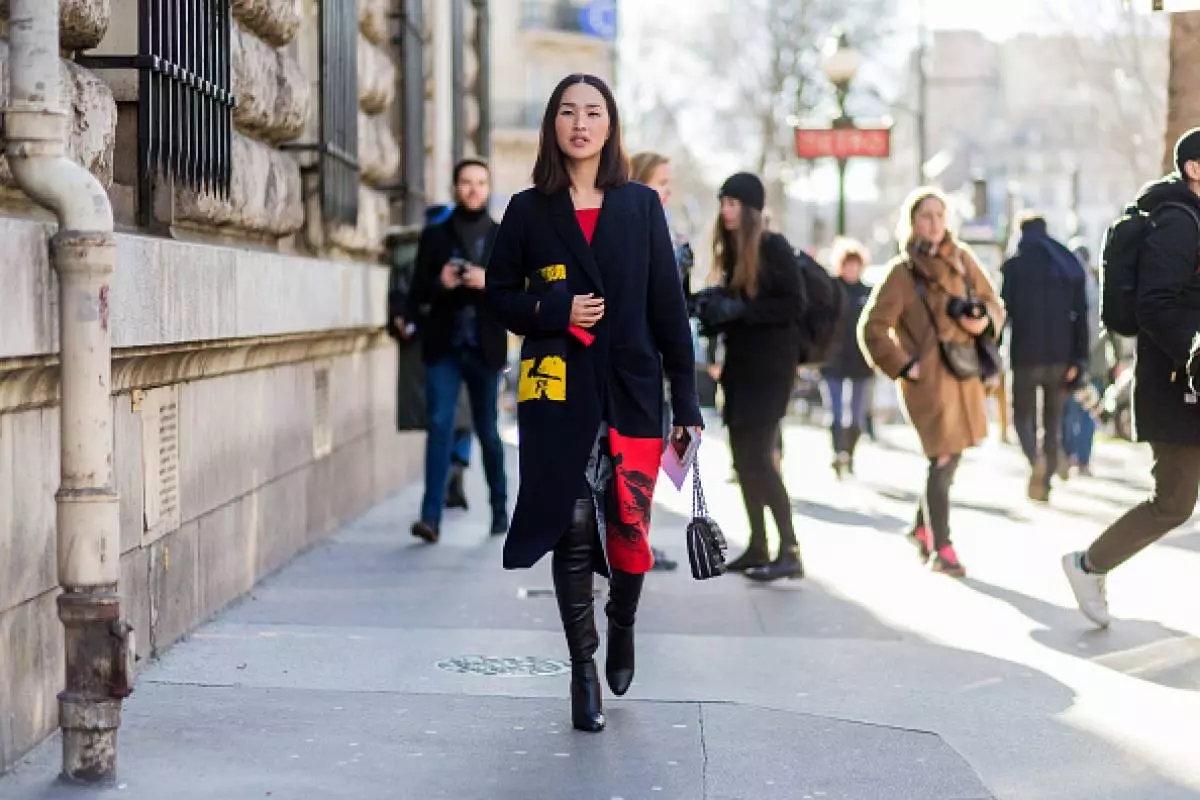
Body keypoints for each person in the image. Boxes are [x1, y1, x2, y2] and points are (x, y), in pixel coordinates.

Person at [485, 74, 702, 732]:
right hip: (557, 389)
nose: (580, 123)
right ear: (553, 125)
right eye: (568, 112)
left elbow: (669, 310)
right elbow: (498, 298)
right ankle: (583, 670)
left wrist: (686, 404)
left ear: (609, 127)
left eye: (593, 113)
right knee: (571, 524)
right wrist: (555, 308)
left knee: (628, 530)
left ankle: (623, 620)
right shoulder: (528, 209)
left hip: (631, 388)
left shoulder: (639, 207)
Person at [1063, 129, 1200, 628]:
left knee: (1176, 502)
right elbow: (1155, 305)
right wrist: (1193, 350)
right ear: (1195, 169)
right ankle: (1087, 564)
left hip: (1185, 378)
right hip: (1176, 384)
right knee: (1174, 502)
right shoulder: (1178, 222)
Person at [859, 187, 1005, 578]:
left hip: (964, 372)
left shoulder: (962, 257)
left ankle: (921, 527)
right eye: (926, 216)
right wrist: (905, 366)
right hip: (929, 380)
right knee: (941, 456)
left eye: (940, 215)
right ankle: (942, 546)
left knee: (952, 455)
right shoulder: (901, 272)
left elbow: (994, 302)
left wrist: (983, 320)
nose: (935, 223)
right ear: (912, 222)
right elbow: (872, 328)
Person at [693, 172, 806, 582]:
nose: (725, 211)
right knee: (742, 460)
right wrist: (714, 312)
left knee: (760, 457)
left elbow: (794, 304)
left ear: (752, 209)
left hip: (770, 370)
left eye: (733, 204)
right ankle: (759, 543)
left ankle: (789, 549)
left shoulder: (773, 247)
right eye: (723, 203)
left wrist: (742, 311)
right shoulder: (734, 252)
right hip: (740, 369)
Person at [407, 159, 509, 543]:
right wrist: (442, 282)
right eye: (466, 182)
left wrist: (490, 282)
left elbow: (519, 293)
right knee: (438, 426)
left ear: (487, 187)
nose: (473, 189)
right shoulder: (434, 236)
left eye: (480, 183)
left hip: (485, 347)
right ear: (455, 187)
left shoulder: (502, 236)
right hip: (444, 346)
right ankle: (430, 517)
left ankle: (501, 511)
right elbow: (416, 295)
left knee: (488, 431)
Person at [630, 151, 695, 573]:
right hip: (638, 359)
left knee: (652, 454)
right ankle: (631, 541)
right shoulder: (635, 229)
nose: (666, 192)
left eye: (669, 184)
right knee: (637, 455)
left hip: (659, 359)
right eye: (660, 182)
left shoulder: (664, 229)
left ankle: (639, 539)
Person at [1000, 215, 1088, 501]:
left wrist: (992, 350)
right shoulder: (1066, 265)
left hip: (1025, 356)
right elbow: (1081, 316)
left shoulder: (1014, 266)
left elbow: (1003, 314)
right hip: (1061, 358)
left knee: (1021, 417)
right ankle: (1044, 483)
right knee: (1052, 422)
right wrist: (1079, 359)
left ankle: (1035, 459)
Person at [822, 238, 874, 477]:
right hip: (833, 361)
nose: (851, 269)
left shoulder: (868, 293)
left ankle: (849, 454)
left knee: (857, 416)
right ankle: (836, 452)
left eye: (856, 265)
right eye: (847, 264)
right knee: (835, 413)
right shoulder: (830, 290)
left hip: (861, 362)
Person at [1060, 239, 1103, 478]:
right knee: (1087, 412)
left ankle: (1070, 456)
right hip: (1094, 362)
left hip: (1073, 361)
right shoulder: (1097, 283)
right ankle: (1082, 460)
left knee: (1070, 412)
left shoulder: (1067, 284)